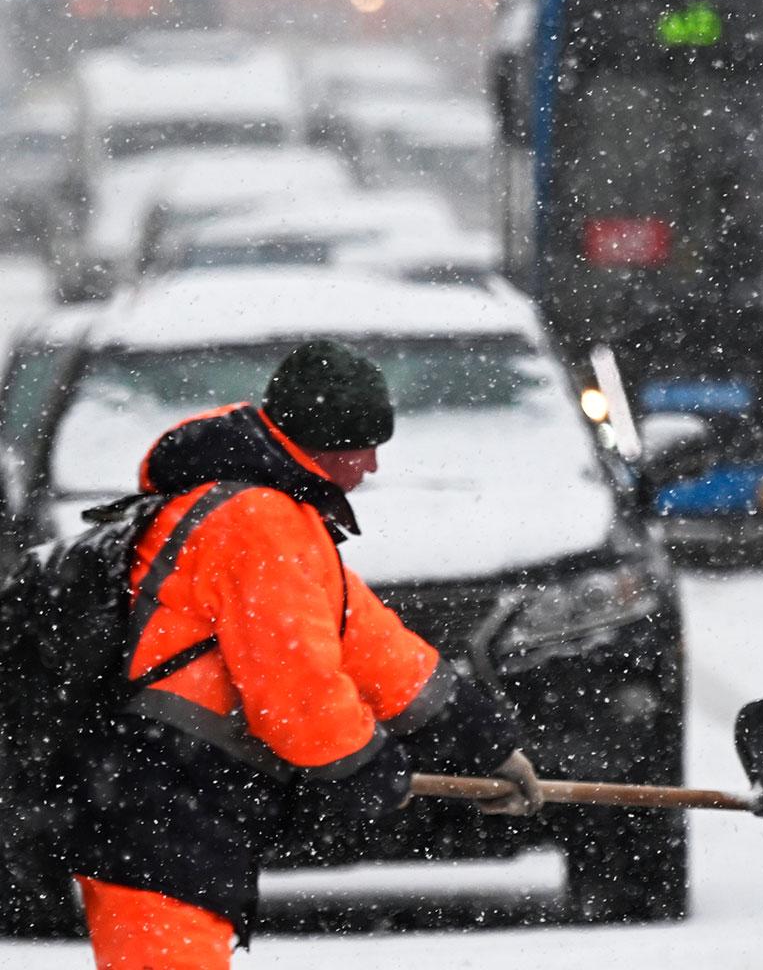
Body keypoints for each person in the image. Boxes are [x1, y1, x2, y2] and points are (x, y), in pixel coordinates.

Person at [69, 340, 544, 969]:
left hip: (171, 797)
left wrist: (485, 745)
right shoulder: (256, 521)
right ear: (325, 443)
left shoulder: (276, 515)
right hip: (155, 792)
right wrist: (366, 768)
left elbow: (376, 651)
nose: (373, 466)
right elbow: (295, 697)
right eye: (365, 446)